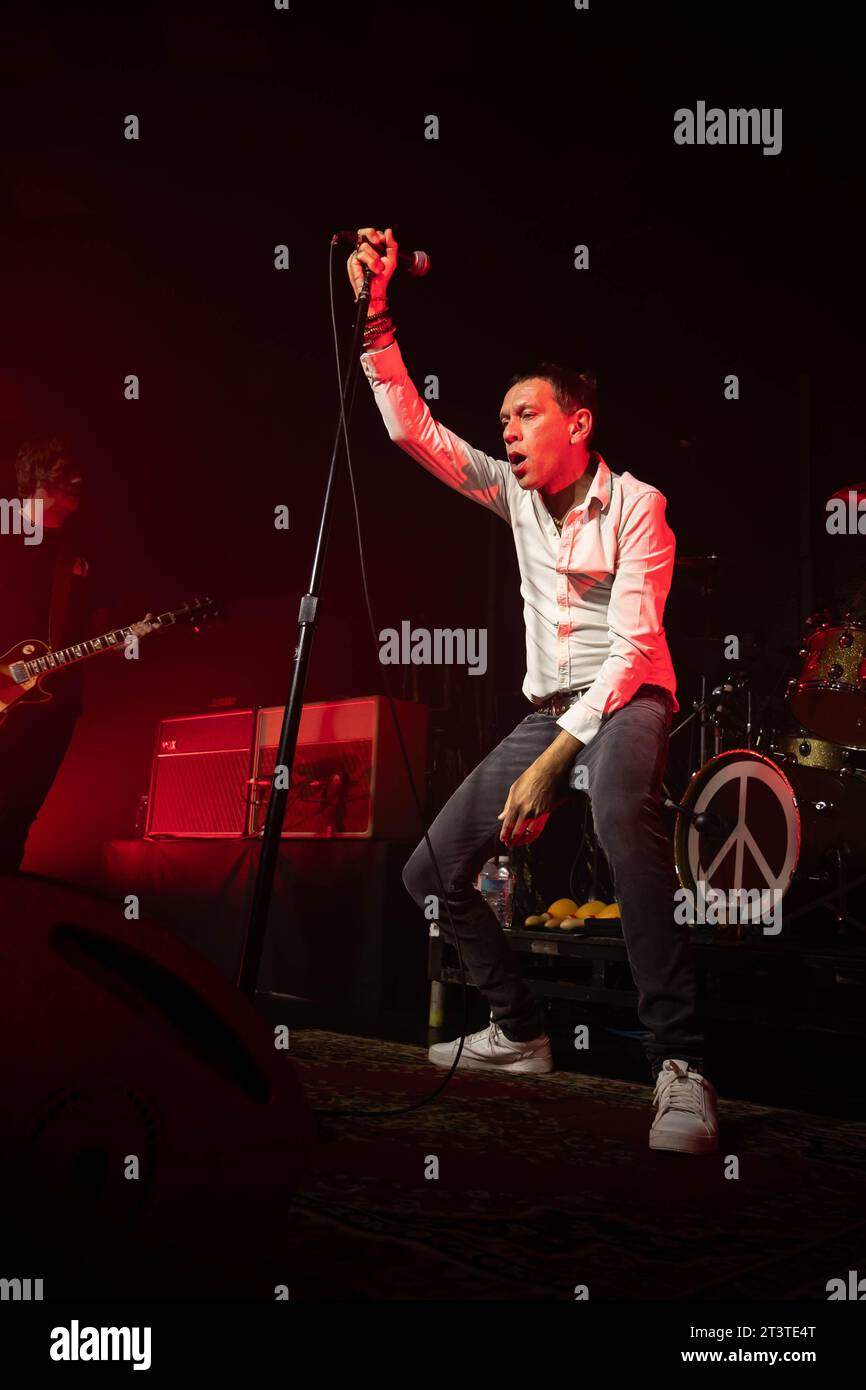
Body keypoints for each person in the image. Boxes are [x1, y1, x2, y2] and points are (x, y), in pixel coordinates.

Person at [346, 228, 719, 1155]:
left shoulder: (639, 504)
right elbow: (409, 428)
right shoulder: (511, 496)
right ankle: (518, 1029)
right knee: (429, 872)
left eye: (523, 415)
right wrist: (376, 312)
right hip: (549, 709)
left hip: (626, 699)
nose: (505, 430)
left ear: (577, 421)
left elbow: (633, 649)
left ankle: (680, 1064)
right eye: (502, 419)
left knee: (617, 813)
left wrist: (560, 766)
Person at [0, 437, 152, 874]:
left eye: (78, 473)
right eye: (65, 471)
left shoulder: (84, 553)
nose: (78, 480)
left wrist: (126, 643)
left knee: (18, 816)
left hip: (54, 704)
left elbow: (99, 634)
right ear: (34, 479)